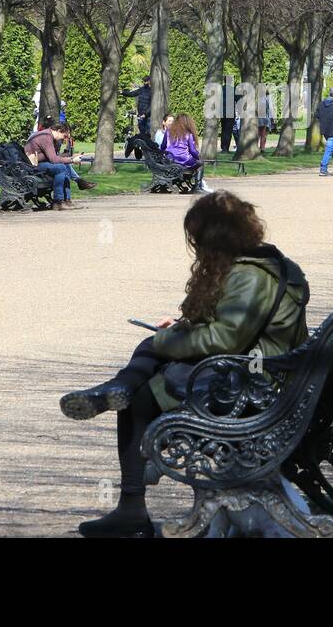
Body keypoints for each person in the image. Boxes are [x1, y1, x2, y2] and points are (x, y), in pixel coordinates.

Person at [58, 191, 310, 537]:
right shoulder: (263, 264)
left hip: (247, 388)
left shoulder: (250, 275)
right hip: (259, 377)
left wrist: (170, 339)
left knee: (146, 382)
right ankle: (120, 392)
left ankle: (131, 498)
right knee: (152, 362)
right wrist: (182, 328)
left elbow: (226, 339)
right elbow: (233, 329)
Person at [26, 121, 82, 209]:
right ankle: (58, 202)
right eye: (64, 136)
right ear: (59, 130)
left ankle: (67, 200)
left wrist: (70, 157)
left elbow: (53, 157)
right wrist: (72, 160)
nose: (64, 139)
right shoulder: (46, 137)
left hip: (40, 163)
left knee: (65, 165)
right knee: (60, 168)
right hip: (32, 166)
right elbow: (54, 159)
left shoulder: (48, 135)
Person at [162, 114, 203, 185]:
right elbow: (193, 151)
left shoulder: (168, 131)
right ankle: (198, 186)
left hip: (170, 159)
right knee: (201, 164)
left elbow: (163, 146)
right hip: (184, 160)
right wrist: (197, 157)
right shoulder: (188, 134)